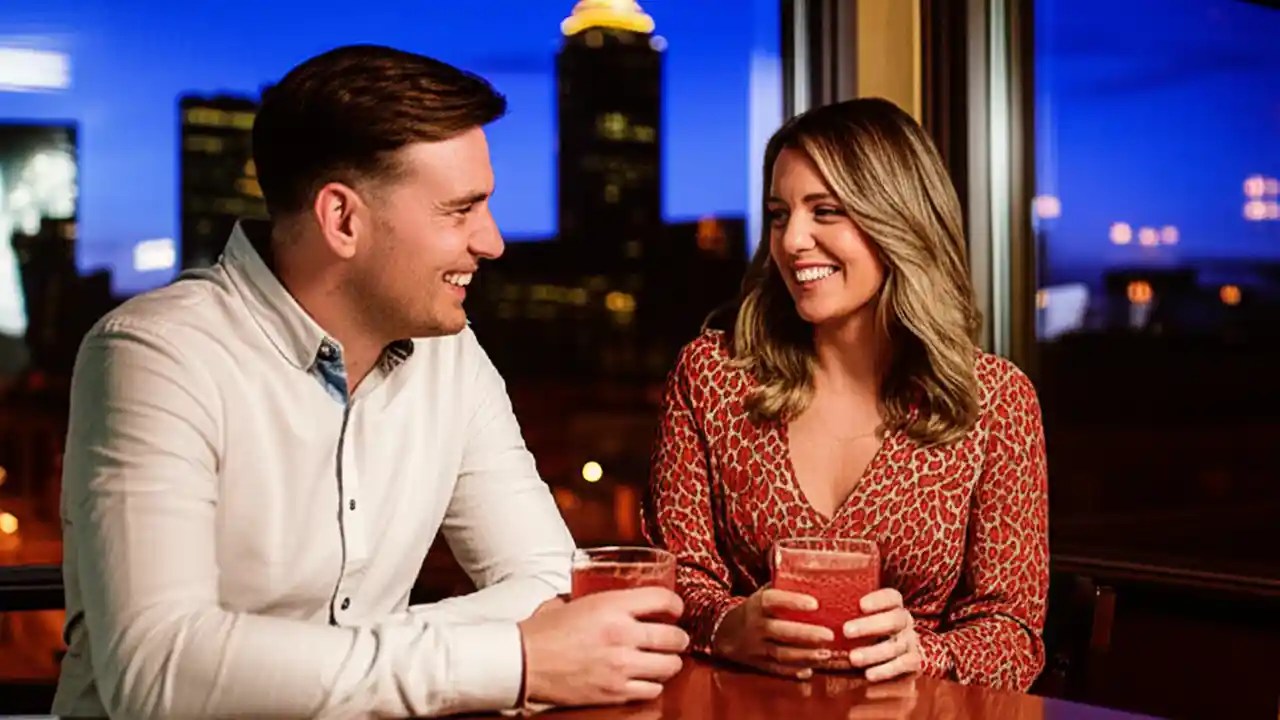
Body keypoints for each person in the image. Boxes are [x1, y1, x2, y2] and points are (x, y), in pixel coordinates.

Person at [54, 44, 688, 719]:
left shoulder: (453, 358)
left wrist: (288, 663)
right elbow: (159, 673)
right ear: (343, 219)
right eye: (460, 209)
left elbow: (547, 586)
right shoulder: (156, 355)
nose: (493, 241)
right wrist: (516, 660)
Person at [642, 98, 1048, 692]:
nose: (792, 240)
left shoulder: (996, 400)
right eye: (780, 215)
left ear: (898, 221)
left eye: (825, 211)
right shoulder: (712, 375)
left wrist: (921, 654)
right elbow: (675, 578)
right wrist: (730, 624)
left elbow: (1014, 635)